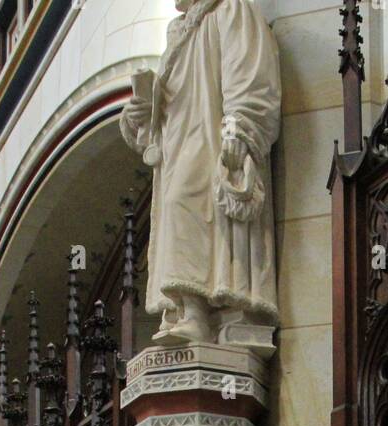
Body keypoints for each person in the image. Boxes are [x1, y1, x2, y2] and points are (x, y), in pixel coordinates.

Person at [120, 0, 281, 351]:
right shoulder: (179, 30)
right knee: (176, 212)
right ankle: (188, 310)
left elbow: (249, 69)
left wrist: (240, 127)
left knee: (192, 205)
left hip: (208, 137)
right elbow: (168, 108)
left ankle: (210, 311)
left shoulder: (230, 9)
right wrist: (144, 111)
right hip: (179, 142)